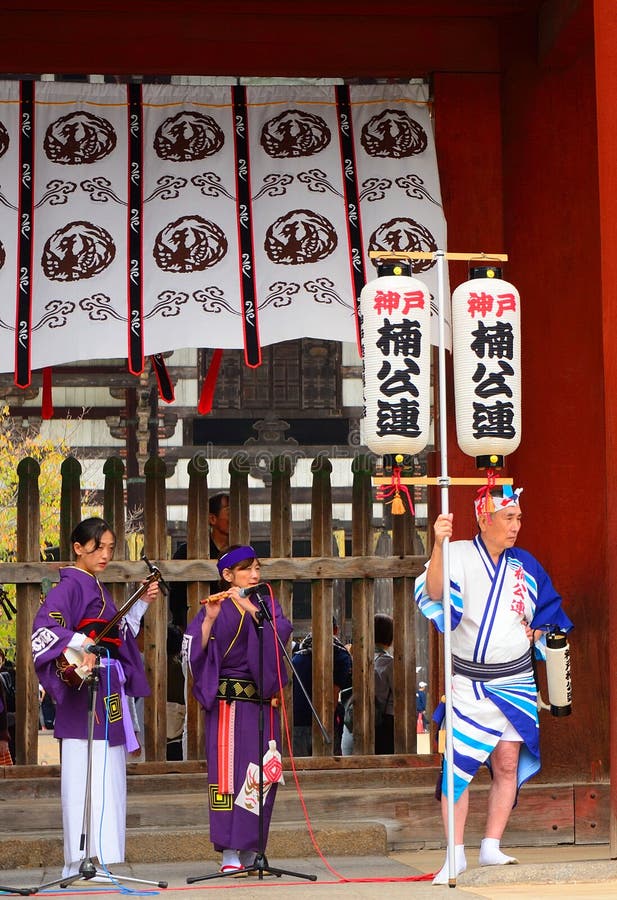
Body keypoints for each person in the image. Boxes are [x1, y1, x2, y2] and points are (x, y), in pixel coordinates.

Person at [414, 486, 573, 884]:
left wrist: (542, 630)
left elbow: (550, 612)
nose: (516, 526)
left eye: (519, 518)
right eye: (508, 518)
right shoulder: (459, 553)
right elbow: (435, 594)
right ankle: (454, 853)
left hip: (516, 678)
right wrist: (438, 543)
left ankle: (491, 845)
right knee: (458, 768)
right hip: (469, 681)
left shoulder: (526, 565)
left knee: (506, 761)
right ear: (484, 519)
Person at [30, 517, 160, 880]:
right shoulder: (70, 587)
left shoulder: (98, 589)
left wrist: (141, 604)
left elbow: (117, 635)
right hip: (82, 691)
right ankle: (78, 859)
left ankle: (99, 858)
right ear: (77, 547)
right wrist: (81, 643)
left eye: (109, 548)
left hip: (105, 688)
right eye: (98, 547)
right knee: (81, 779)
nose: (105, 554)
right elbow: (43, 629)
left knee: (106, 775)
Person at [183, 545, 292, 875]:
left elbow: (282, 632)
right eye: (246, 569)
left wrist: (251, 609)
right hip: (227, 706)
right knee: (227, 777)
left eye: (257, 567)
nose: (255, 574)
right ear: (227, 575)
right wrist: (209, 622)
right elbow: (191, 651)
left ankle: (251, 848)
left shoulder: (265, 603)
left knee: (259, 776)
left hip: (260, 707)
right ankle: (229, 850)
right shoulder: (214, 607)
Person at [292, 616, 352, 756]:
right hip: (322, 723)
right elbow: (331, 696)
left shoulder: (298, 654)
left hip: (296, 721)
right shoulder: (340, 655)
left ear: (312, 629)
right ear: (336, 630)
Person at [170, 492, 230, 629]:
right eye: (229, 511)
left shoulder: (239, 551)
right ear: (212, 519)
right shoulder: (186, 552)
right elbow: (176, 597)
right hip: (197, 623)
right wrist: (184, 624)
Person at [340, 613, 394, 755]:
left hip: (352, 724)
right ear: (390, 636)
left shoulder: (354, 660)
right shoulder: (390, 664)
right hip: (382, 727)